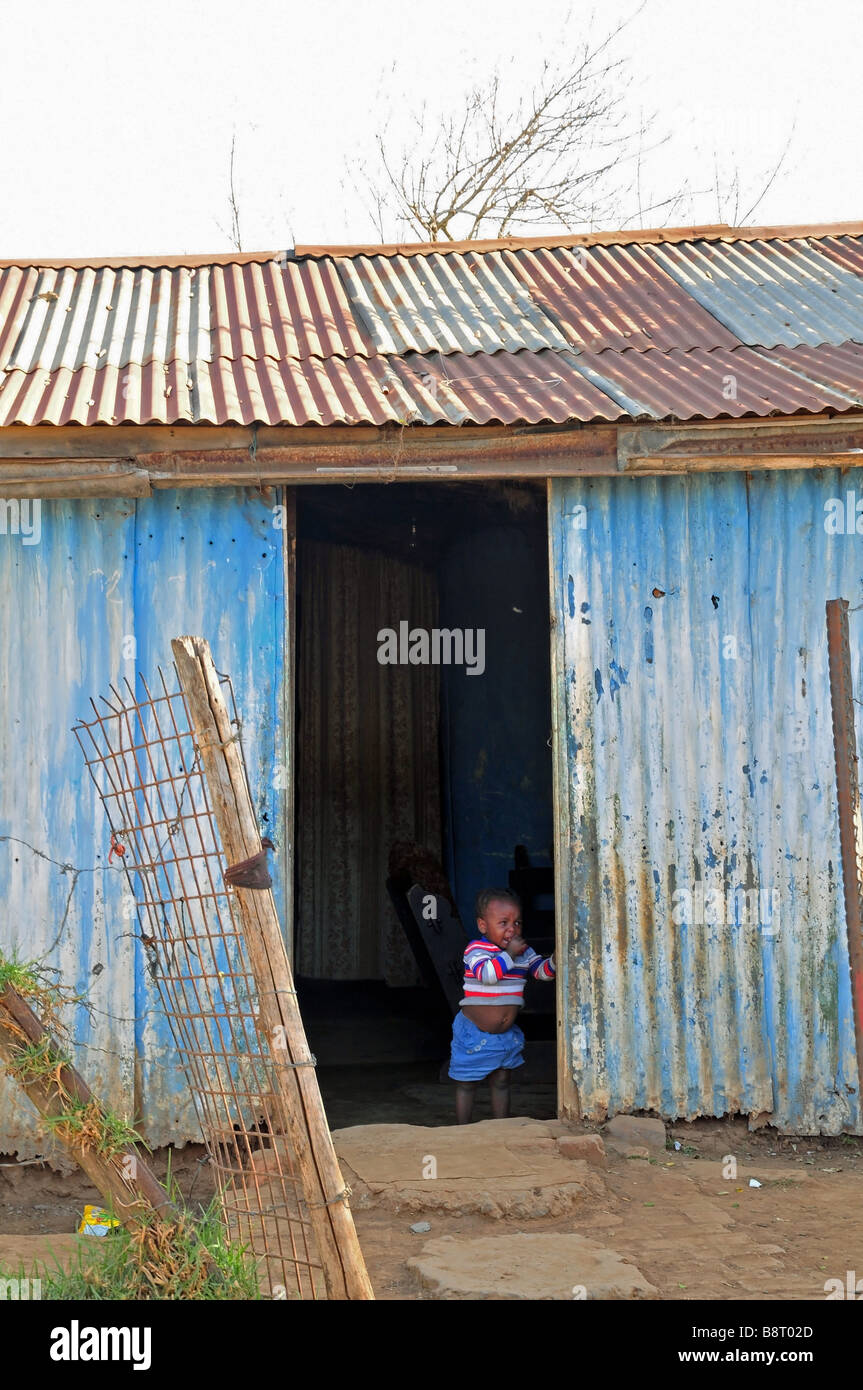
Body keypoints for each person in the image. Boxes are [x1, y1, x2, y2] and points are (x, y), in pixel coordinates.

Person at [449, 887, 555, 1124]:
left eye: (517, 923)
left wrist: (555, 961)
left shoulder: (523, 952)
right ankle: (462, 1129)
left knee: (502, 1081)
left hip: (505, 1035)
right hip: (473, 1033)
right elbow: (487, 975)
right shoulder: (476, 949)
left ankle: (501, 1127)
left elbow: (542, 972)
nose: (512, 929)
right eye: (503, 922)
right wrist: (509, 954)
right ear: (483, 926)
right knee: (467, 1083)